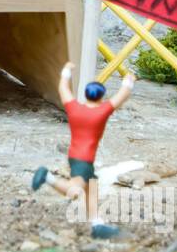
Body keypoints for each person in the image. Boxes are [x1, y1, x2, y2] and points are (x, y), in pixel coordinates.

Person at [30, 61, 135, 239]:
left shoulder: (75, 108)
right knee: (75, 190)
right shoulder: (102, 111)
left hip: (75, 156)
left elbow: (63, 89)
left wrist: (66, 72)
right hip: (84, 159)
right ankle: (46, 176)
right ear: (101, 97)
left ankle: (97, 224)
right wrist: (128, 80)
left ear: (86, 95)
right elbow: (122, 96)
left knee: (91, 188)